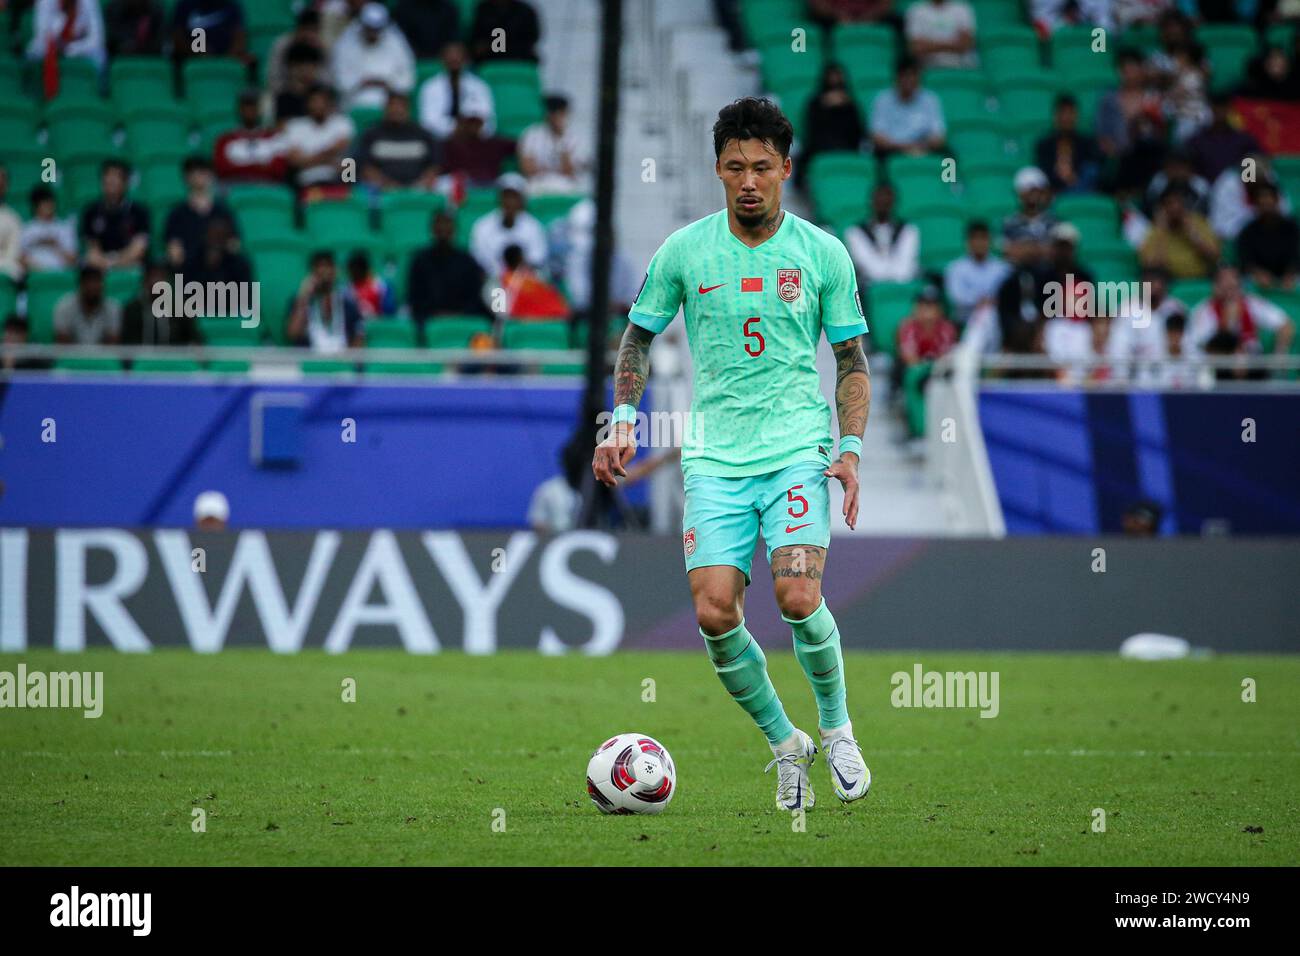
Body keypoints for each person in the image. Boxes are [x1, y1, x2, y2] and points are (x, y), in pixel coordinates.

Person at [591, 97, 873, 811]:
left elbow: (851, 361)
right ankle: (787, 745)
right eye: (735, 168)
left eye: (762, 168)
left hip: (795, 452)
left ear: (785, 167)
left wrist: (850, 449)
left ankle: (837, 731)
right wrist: (623, 419)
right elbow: (637, 338)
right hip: (715, 459)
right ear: (718, 169)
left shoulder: (822, 254)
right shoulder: (685, 251)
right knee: (716, 613)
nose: (749, 181)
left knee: (797, 594)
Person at [1187, 264, 1294, 356]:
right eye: (1226, 287)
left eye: (1234, 286)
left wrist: (1278, 357)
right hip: (1220, 365)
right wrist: (1227, 323)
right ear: (1216, 287)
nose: (1231, 286)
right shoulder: (1203, 311)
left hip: (1251, 364)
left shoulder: (1252, 303)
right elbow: (1202, 346)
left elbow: (1286, 325)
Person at [331, 2, 415, 110]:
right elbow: (340, 81)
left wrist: (387, 83)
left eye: (376, 29)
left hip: (389, 99)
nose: (372, 33)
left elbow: (407, 78)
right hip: (354, 100)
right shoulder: (346, 43)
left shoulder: (396, 43)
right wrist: (363, 83)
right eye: (369, 29)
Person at [407, 211, 488, 324]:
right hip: (429, 321)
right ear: (432, 229)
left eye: (447, 224)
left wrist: (458, 315)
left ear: (454, 229)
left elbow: (475, 299)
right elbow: (415, 298)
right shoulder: (420, 260)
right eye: (439, 224)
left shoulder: (467, 261)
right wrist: (435, 315)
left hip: (463, 320)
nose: (443, 229)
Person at [164, 156, 239, 276]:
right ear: (186, 177)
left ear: (210, 175)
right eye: (193, 172)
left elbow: (234, 245)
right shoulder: (177, 214)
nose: (198, 176)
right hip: (191, 271)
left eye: (203, 171)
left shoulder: (223, 212)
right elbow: (174, 252)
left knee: (241, 265)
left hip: (220, 270)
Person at [282, 84, 356, 200]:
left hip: (337, 179)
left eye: (323, 101)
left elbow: (341, 147)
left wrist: (308, 159)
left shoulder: (342, 122)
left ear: (330, 103)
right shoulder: (295, 126)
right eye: (315, 101)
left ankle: (348, 202)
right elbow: (294, 160)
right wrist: (328, 159)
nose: (319, 105)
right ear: (307, 104)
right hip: (306, 182)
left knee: (349, 163)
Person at [357, 91, 441, 190]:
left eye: (400, 106)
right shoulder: (372, 134)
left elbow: (434, 165)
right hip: (381, 190)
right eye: (392, 105)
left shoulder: (423, 135)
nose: (396, 110)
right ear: (385, 108)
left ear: (408, 109)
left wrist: (421, 184)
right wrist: (386, 184)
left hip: (418, 189)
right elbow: (365, 167)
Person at [799, 63, 866, 185]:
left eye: (838, 76)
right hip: (821, 146)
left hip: (847, 146)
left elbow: (859, 131)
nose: (835, 80)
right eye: (832, 76)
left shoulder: (851, 104)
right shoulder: (815, 102)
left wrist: (845, 105)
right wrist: (824, 106)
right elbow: (811, 130)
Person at [469, 173, 548, 275]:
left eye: (514, 196)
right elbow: (479, 260)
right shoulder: (482, 226)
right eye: (506, 196)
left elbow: (537, 259)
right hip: (495, 282)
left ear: (522, 199)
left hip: (524, 281)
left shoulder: (533, 226)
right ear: (499, 198)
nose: (510, 201)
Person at [287, 249, 364, 352]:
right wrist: (304, 298)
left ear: (335, 271)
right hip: (310, 363)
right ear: (312, 272)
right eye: (319, 267)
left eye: (328, 266)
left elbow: (358, 341)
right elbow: (293, 333)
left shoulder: (348, 304)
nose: (324, 272)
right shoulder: (300, 301)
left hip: (342, 364)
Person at [80, 159, 150, 271]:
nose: (111, 181)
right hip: (100, 265)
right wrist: (106, 263)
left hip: (129, 264)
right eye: (107, 176)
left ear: (126, 182)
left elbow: (139, 248)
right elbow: (92, 249)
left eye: (116, 177)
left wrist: (115, 263)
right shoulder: (91, 212)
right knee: (88, 261)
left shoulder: (139, 212)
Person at [869, 57, 946, 157]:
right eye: (905, 76)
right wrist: (905, 148)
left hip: (923, 150)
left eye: (913, 75)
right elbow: (877, 137)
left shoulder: (930, 100)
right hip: (891, 152)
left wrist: (921, 147)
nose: (909, 80)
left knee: (949, 160)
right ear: (897, 78)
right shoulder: (883, 100)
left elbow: (939, 137)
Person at [1139, 185, 1220, 279]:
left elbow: (1214, 256)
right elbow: (1152, 266)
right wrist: (1162, 232)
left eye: (1179, 203)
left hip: (1202, 278)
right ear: (1163, 208)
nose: (1175, 208)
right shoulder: (1155, 229)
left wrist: (1191, 231)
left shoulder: (1199, 222)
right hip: (1169, 283)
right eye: (1170, 203)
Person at [844, 182, 919, 283]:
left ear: (894, 202)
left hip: (902, 285)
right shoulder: (854, 232)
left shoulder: (909, 230)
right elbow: (869, 268)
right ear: (871, 201)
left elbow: (905, 269)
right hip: (870, 288)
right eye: (879, 200)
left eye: (887, 201)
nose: (883, 203)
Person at [418, 41, 495, 138]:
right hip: (441, 141)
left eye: (458, 57)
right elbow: (427, 122)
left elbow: (489, 121)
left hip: (474, 140)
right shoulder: (430, 87)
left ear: (466, 60)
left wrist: (471, 129)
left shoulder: (480, 86)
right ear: (442, 60)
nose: (454, 59)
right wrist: (454, 128)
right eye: (450, 57)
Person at [213, 89, 289, 185]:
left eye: (253, 107)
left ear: (259, 110)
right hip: (234, 185)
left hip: (267, 185)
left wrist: (239, 166)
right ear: (239, 110)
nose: (249, 111)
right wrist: (260, 167)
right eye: (246, 107)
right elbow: (222, 169)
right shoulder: (224, 140)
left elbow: (279, 169)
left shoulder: (274, 138)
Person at [518, 94, 589, 194]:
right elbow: (527, 169)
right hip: (537, 184)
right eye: (554, 113)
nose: (558, 117)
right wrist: (555, 170)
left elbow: (568, 171)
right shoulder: (531, 134)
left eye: (561, 113)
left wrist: (561, 138)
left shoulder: (573, 137)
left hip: (566, 185)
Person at [944, 220, 1009, 326]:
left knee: (989, 315)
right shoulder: (955, 268)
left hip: (996, 317)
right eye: (975, 239)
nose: (979, 243)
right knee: (985, 315)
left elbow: (1007, 295)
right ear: (968, 242)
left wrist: (990, 302)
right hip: (966, 318)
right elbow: (956, 297)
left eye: (983, 238)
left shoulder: (1002, 268)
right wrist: (979, 301)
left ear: (990, 241)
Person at [1236, 182, 1300, 289]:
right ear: (1256, 204)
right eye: (1262, 201)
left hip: (1290, 277)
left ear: (1277, 201)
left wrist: (1291, 273)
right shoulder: (1247, 231)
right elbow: (1245, 260)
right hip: (1258, 278)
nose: (1266, 204)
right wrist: (1257, 273)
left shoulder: (1292, 228)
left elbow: (1297, 254)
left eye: (1269, 199)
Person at [1035, 95, 1101, 194]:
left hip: (1082, 188)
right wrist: (1060, 174)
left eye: (1070, 113)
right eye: (1063, 113)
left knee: (1091, 170)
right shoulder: (1044, 145)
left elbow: (1092, 173)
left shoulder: (1087, 143)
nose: (1066, 118)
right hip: (1054, 190)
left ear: (1076, 115)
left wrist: (1072, 176)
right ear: (1055, 115)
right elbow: (1043, 173)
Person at [121, 259, 197, 345]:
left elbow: (194, 341)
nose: (157, 282)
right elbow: (126, 346)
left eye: (161, 276)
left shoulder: (180, 308)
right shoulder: (133, 309)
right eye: (154, 276)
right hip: (141, 357)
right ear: (145, 281)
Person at [27, 0, 106, 69]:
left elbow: (97, 39)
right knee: (35, 50)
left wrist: (70, 48)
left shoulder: (89, 2)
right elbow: (42, 36)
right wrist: (63, 17)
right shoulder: (45, 2)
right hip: (54, 46)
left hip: (79, 47)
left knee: (99, 54)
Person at [53, 265, 121, 345]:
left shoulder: (113, 308)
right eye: (88, 282)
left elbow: (113, 346)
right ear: (81, 284)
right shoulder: (64, 307)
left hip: (103, 357)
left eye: (97, 282)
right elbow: (63, 346)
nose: (93, 286)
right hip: (72, 356)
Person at [19, 186, 78, 274]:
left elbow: (72, 260)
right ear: (36, 206)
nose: (48, 206)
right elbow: (21, 258)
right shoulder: (27, 229)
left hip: (60, 274)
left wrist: (55, 245)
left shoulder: (64, 228)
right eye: (44, 203)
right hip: (35, 275)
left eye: (50, 202)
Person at [266, 8, 324, 96]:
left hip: (313, 96)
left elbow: (327, 80)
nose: (309, 35)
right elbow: (273, 79)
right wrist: (292, 88)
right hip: (285, 94)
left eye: (313, 30)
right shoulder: (282, 45)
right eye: (306, 29)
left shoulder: (322, 47)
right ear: (298, 29)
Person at [500, 244, 568, 319]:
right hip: (524, 317)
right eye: (522, 256)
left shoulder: (533, 276)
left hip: (549, 314)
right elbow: (501, 311)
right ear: (519, 258)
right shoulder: (502, 280)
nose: (524, 259)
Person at [904, 0, 976, 69]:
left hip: (961, 65)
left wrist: (929, 45)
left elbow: (965, 45)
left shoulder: (962, 8)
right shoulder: (916, 10)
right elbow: (916, 48)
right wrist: (953, 44)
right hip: (927, 66)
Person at [171, 0, 248, 65]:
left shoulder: (231, 7)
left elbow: (239, 38)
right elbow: (177, 38)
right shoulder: (185, 6)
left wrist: (225, 59)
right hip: (192, 60)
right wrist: (198, 53)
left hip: (225, 60)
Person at [274, 41, 327, 124]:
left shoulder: (322, 95)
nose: (308, 70)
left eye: (313, 65)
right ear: (291, 67)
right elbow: (282, 127)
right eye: (303, 65)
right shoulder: (283, 99)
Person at [469, 0, 540, 62]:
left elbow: (531, 39)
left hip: (520, 59)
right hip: (489, 61)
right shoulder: (482, 9)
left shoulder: (525, 11)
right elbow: (475, 39)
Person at [391, 0, 460, 59]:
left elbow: (451, 40)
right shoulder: (402, 9)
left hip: (441, 59)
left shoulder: (448, 8)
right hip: (409, 58)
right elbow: (399, 39)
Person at [343, 249, 395, 318]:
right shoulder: (346, 290)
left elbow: (389, 312)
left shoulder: (381, 286)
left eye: (357, 268)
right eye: (352, 269)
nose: (354, 272)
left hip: (377, 324)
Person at [0, 165, 23, 281]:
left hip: (3, 264)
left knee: (16, 270)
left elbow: (13, 254)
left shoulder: (12, 218)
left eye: (2, 180)